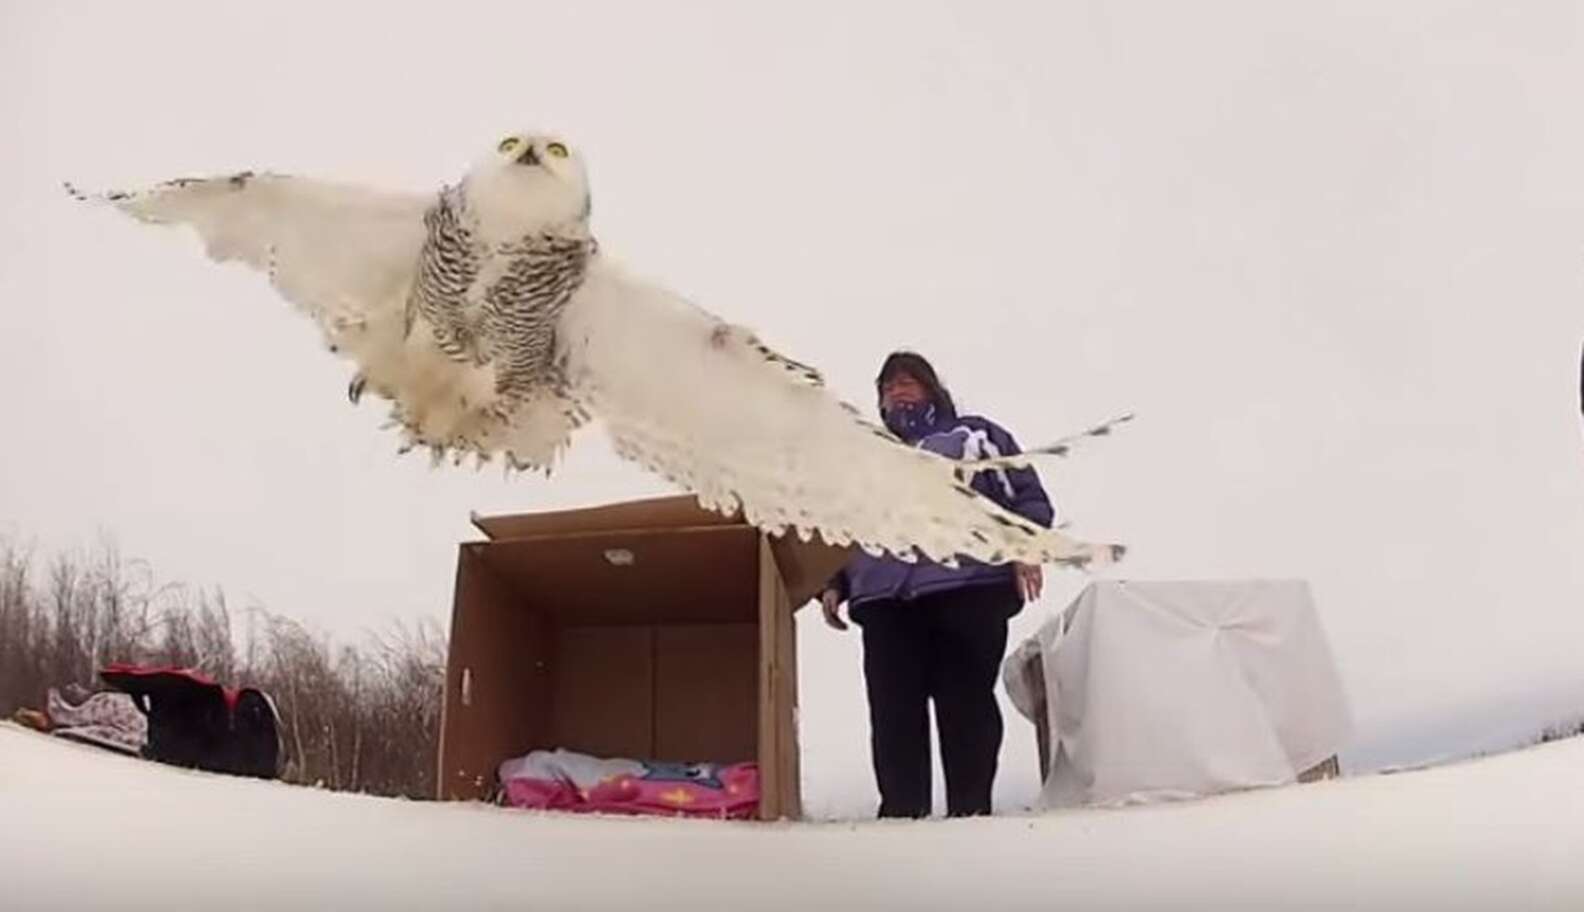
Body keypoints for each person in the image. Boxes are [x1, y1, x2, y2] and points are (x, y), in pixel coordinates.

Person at [821, 350, 1053, 818]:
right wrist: (833, 582)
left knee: (965, 702)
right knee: (892, 711)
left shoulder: (974, 435)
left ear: (932, 388)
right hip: (885, 598)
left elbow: (1025, 494)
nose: (896, 391)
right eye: (887, 386)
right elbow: (843, 527)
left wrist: (1026, 547)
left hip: (967, 585)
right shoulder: (868, 459)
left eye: (907, 381)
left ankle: (970, 811)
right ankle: (901, 813)